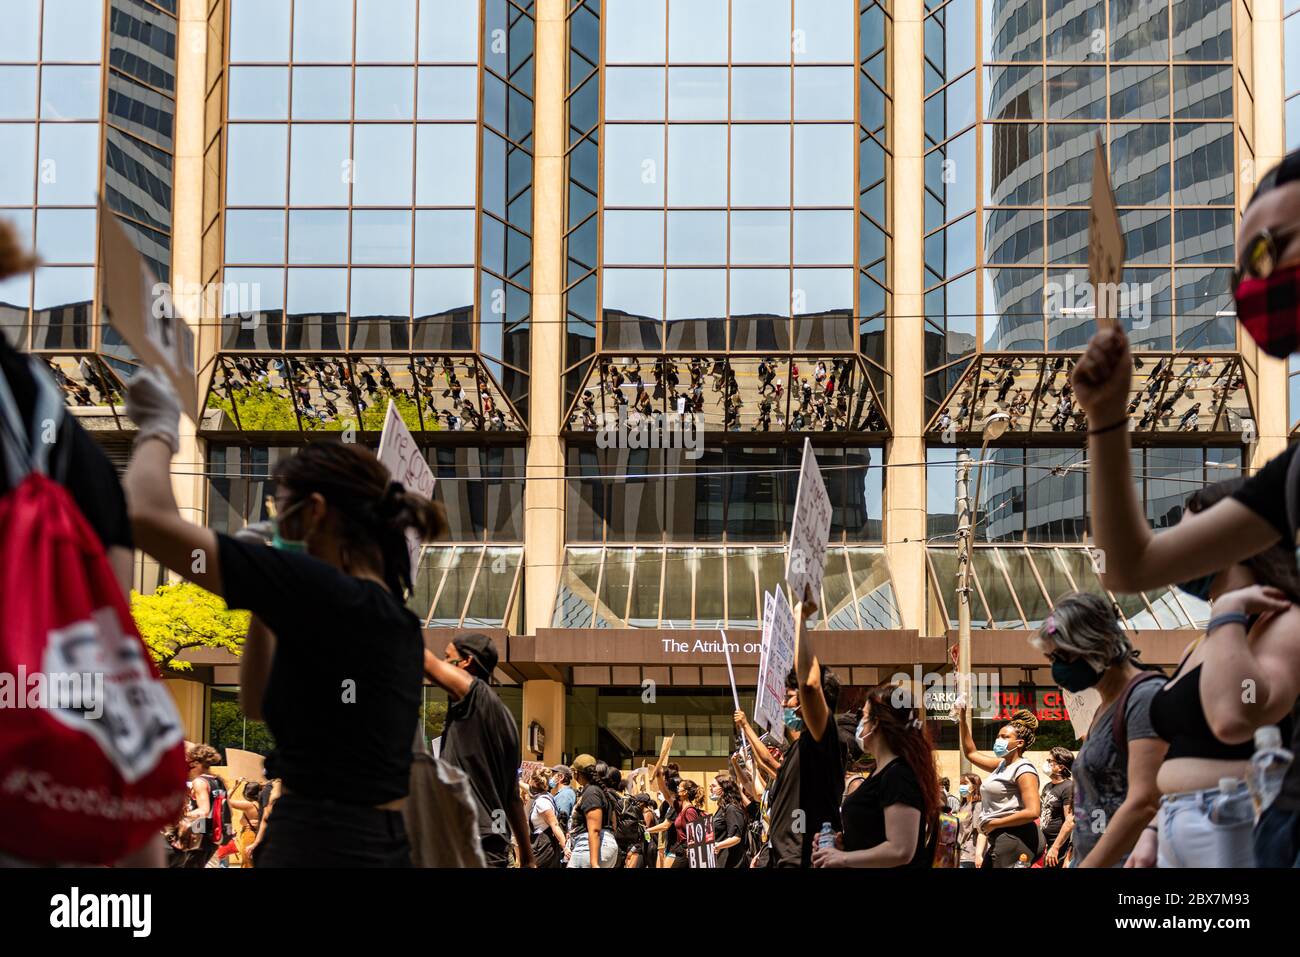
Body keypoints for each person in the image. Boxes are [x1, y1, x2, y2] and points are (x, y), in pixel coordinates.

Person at [1071, 147, 1300, 866]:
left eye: (1274, 246)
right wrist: (1107, 419)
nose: (1256, 277)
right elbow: (1128, 562)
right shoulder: (1294, 479)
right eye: (1245, 263)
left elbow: (1237, 712)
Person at [122, 374, 445, 867]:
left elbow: (144, 517)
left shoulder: (312, 586)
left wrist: (160, 428)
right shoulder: (394, 617)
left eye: (281, 508)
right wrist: (267, 597)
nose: (275, 518)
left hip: (313, 842)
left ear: (313, 510)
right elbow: (255, 702)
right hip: (381, 844)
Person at [1126, 481, 1300, 868]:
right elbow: (1189, 741)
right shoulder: (1209, 637)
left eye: (1192, 536)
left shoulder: (1284, 622)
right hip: (1178, 822)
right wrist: (1155, 828)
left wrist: (1229, 610)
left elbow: (1236, 715)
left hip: (1237, 819)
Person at [1029, 592, 1167, 867]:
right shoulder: (1103, 707)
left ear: (1092, 646)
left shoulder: (1144, 697)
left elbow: (1146, 801)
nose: (1055, 669)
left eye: (1060, 656)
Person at [423, 633, 534, 868]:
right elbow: (512, 796)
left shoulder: (474, 694)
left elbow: (424, 662)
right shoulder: (506, 721)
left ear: (466, 662)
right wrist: (527, 857)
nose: (443, 664)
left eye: (447, 657)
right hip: (492, 849)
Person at [813, 684, 940, 868]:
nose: (859, 723)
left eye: (863, 716)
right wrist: (842, 846)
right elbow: (874, 838)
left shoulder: (898, 775)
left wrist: (842, 858)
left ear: (877, 722)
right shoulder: (882, 772)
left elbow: (900, 850)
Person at [764, 592, 844, 867]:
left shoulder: (827, 737)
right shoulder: (802, 745)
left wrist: (800, 618)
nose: (783, 704)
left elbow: (809, 684)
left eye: (789, 697)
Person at [957, 705, 1042, 867]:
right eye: (998, 736)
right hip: (1000, 837)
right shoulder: (1002, 765)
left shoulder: (1024, 769)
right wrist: (962, 719)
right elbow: (971, 753)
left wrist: (994, 823)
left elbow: (1033, 811)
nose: (998, 740)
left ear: (1019, 743)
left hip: (1015, 837)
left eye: (1004, 737)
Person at [173, 744, 230, 869]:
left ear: (197, 763)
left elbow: (204, 811)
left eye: (190, 762)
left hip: (198, 838)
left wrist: (181, 816)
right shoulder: (218, 781)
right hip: (212, 837)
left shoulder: (200, 782)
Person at [565, 755, 618, 868]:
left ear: (577, 773)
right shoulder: (601, 792)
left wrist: (594, 863)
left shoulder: (591, 792)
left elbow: (594, 829)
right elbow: (614, 824)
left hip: (589, 849)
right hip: (601, 846)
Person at [1040, 747, 1075, 868]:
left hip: (1058, 847)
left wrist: (1055, 848)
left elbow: (1070, 821)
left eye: (1050, 761)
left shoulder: (1069, 787)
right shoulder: (1047, 786)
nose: (1047, 764)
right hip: (1044, 845)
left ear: (1061, 767)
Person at [526, 768, 566, 869]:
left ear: (533, 781)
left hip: (543, 848)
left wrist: (565, 847)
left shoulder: (542, 802)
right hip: (546, 846)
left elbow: (555, 825)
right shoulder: (545, 796)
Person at [710, 772, 750, 868]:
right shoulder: (722, 808)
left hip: (732, 863)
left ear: (724, 788)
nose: (710, 788)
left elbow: (736, 838)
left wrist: (718, 845)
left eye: (713, 786)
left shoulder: (732, 809)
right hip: (722, 861)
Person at [671, 779, 706, 868]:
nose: (677, 789)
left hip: (687, 851)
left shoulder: (690, 810)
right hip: (681, 850)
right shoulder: (681, 808)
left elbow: (695, 832)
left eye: (680, 787)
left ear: (685, 792)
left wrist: (692, 849)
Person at [956, 773, 986, 868]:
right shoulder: (963, 806)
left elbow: (981, 832)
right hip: (959, 854)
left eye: (965, 783)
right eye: (961, 783)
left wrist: (978, 855)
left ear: (974, 786)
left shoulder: (978, 805)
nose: (962, 786)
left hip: (970, 855)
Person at [550, 765, 576, 830]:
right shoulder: (564, 793)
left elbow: (562, 822)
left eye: (552, 776)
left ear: (561, 777)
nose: (550, 779)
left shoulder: (564, 795)